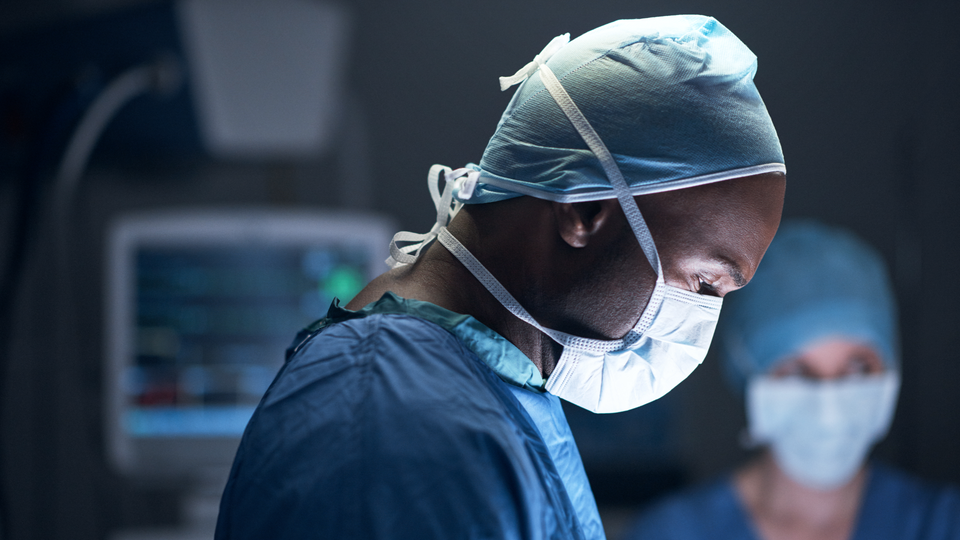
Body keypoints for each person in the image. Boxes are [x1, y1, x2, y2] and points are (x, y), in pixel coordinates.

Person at [215, 15, 786, 540]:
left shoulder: (487, 382)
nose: (699, 326)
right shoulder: (391, 416)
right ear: (586, 210)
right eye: (705, 283)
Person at [626, 222, 960, 540]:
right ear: (749, 375)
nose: (829, 399)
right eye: (797, 372)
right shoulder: (675, 533)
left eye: (858, 367)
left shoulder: (942, 523)